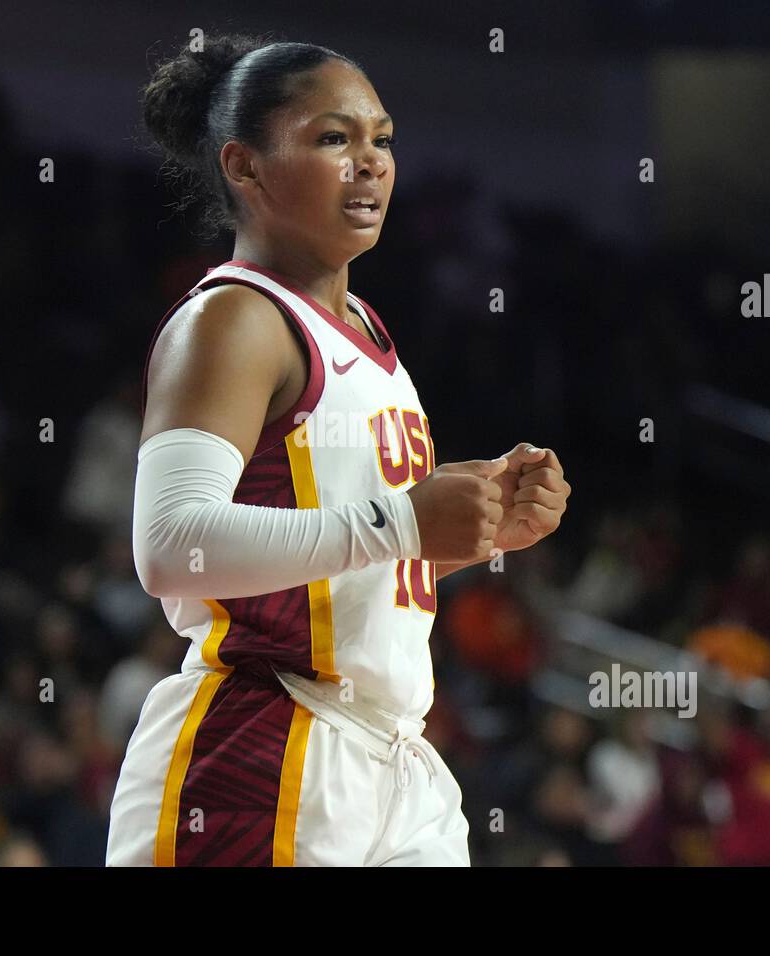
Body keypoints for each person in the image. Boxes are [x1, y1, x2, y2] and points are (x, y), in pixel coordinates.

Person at [105, 35, 570, 867]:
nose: (371, 163)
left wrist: (478, 528)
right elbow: (171, 546)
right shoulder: (232, 319)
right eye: (333, 139)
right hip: (262, 745)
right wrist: (401, 522)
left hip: (393, 761)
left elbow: (345, 566)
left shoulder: (367, 330)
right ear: (244, 167)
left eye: (381, 140)